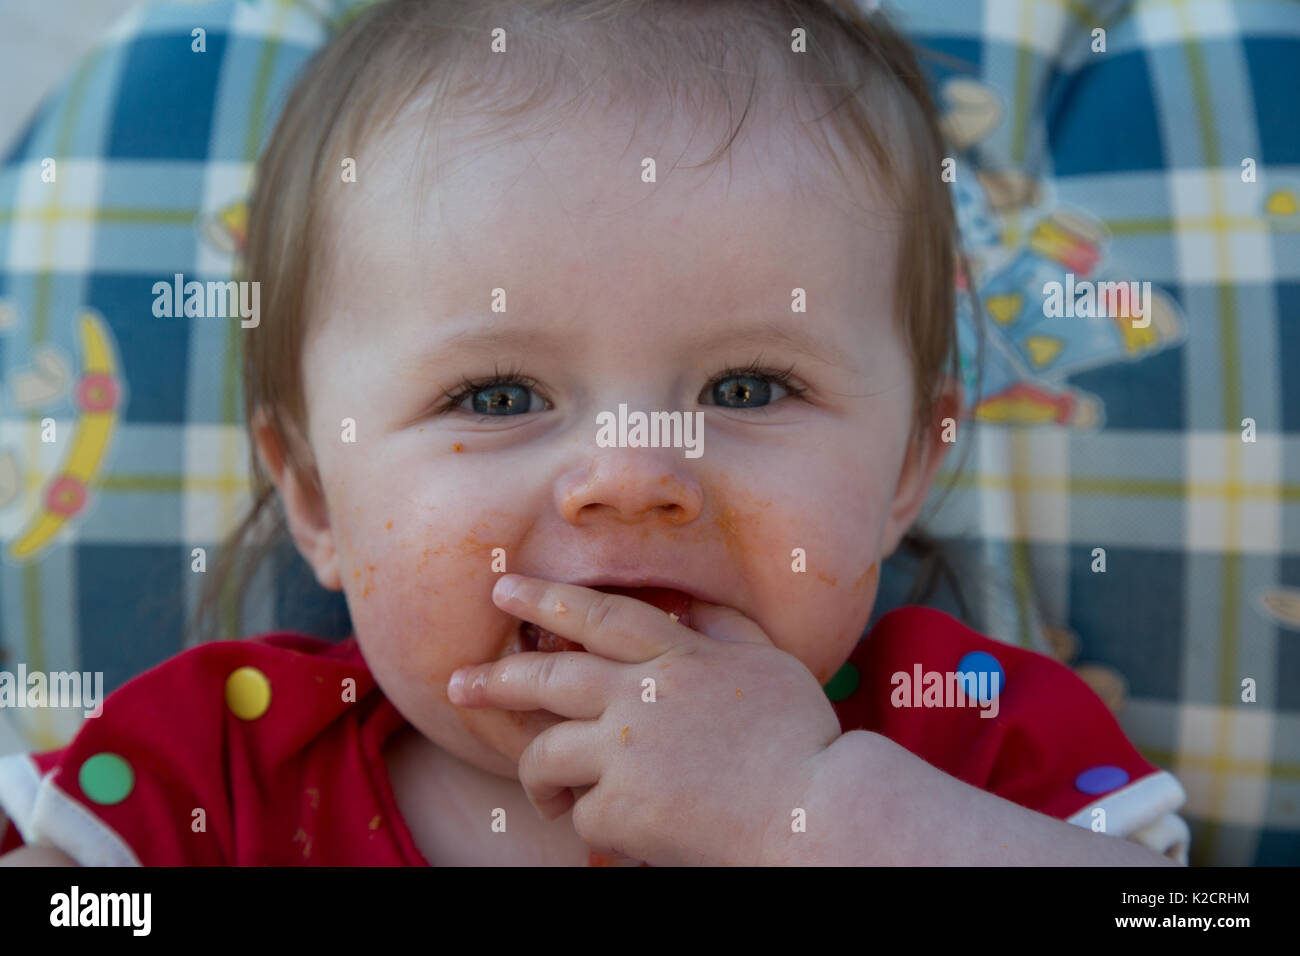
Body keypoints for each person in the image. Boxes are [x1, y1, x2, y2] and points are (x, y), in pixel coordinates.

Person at [0, 0, 1187, 866]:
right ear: (315, 498)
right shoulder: (209, 774)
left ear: (907, 468)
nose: (633, 475)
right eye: (499, 396)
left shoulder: (960, 736)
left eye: (749, 387)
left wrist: (819, 810)